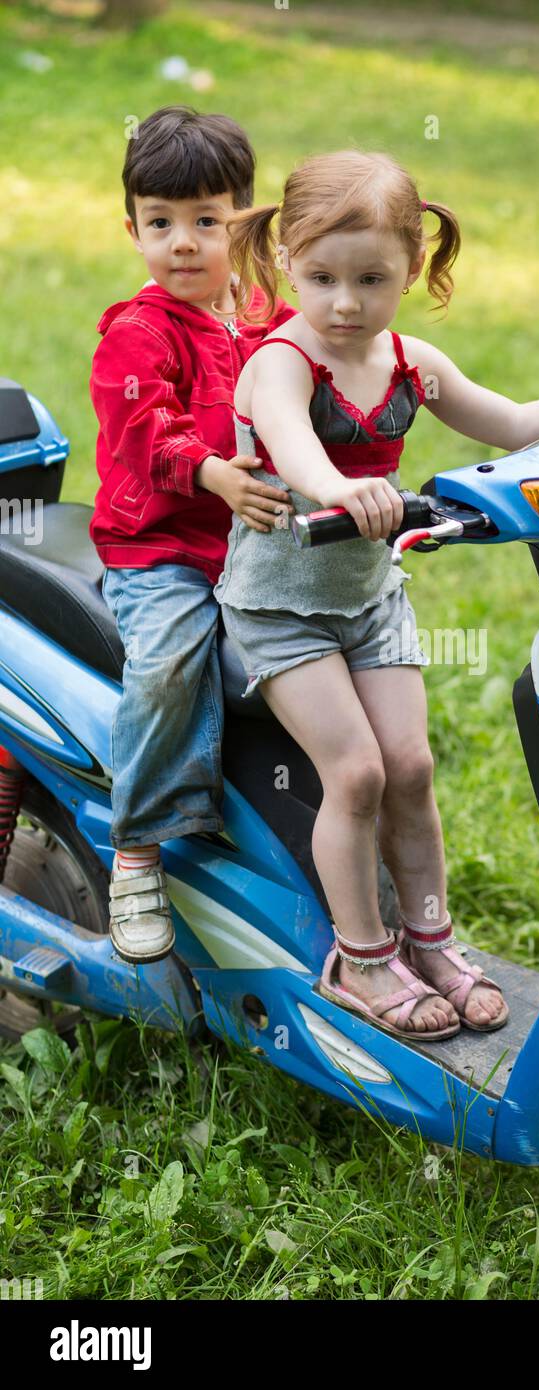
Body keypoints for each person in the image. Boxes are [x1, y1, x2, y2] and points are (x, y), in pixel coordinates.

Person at [215, 149, 539, 1039]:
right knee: (354, 772)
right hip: (280, 609)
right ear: (287, 261)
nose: (346, 303)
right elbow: (291, 446)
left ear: (411, 269)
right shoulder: (282, 363)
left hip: (369, 598)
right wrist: (338, 489)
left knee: (413, 767)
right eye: (322, 278)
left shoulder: (409, 362)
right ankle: (361, 959)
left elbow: (509, 425)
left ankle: (430, 940)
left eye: (372, 279)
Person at [89, 106, 293, 964]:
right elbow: (146, 428)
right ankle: (135, 852)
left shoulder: (267, 319)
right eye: (160, 223)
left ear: (239, 224)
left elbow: (316, 383)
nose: (182, 243)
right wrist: (209, 471)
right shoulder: (136, 333)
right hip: (162, 547)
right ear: (131, 226)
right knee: (172, 659)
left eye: (205, 222)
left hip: (255, 544)